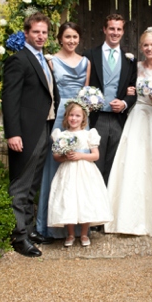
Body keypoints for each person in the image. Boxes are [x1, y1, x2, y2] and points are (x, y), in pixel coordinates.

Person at [104, 28, 152, 236]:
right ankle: (128, 220)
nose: (149, 48)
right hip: (138, 116)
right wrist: (128, 92)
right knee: (133, 164)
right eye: (146, 45)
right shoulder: (135, 67)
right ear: (141, 47)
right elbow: (128, 87)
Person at [3, 12, 60, 257]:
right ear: (26, 33)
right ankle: (18, 237)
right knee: (21, 184)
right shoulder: (19, 59)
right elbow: (10, 99)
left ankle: (27, 229)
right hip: (26, 132)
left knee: (33, 184)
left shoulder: (43, 60)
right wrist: (13, 133)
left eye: (44, 32)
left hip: (44, 127)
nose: (40, 36)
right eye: (36, 32)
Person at [37, 22, 91, 241]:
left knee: (79, 170)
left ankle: (80, 224)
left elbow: (85, 92)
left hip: (79, 115)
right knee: (57, 166)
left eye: (75, 37)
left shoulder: (86, 62)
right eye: (68, 37)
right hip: (60, 115)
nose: (71, 41)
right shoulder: (50, 61)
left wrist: (84, 120)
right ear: (60, 38)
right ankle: (54, 225)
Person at [48, 100, 113, 247]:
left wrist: (81, 156)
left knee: (85, 199)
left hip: (85, 171)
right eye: (71, 115)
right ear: (66, 117)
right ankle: (70, 234)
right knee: (68, 199)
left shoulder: (89, 134)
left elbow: (95, 156)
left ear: (83, 118)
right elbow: (56, 157)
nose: (74, 119)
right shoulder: (61, 135)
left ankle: (84, 233)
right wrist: (66, 157)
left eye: (77, 116)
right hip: (68, 171)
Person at [83, 14, 137, 185]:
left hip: (118, 119)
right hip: (96, 118)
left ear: (123, 31)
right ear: (105, 30)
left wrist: (124, 103)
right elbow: (83, 85)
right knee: (94, 165)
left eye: (119, 29)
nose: (115, 32)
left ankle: (109, 205)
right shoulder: (90, 55)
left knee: (114, 166)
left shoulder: (130, 59)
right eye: (112, 28)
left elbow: (133, 89)